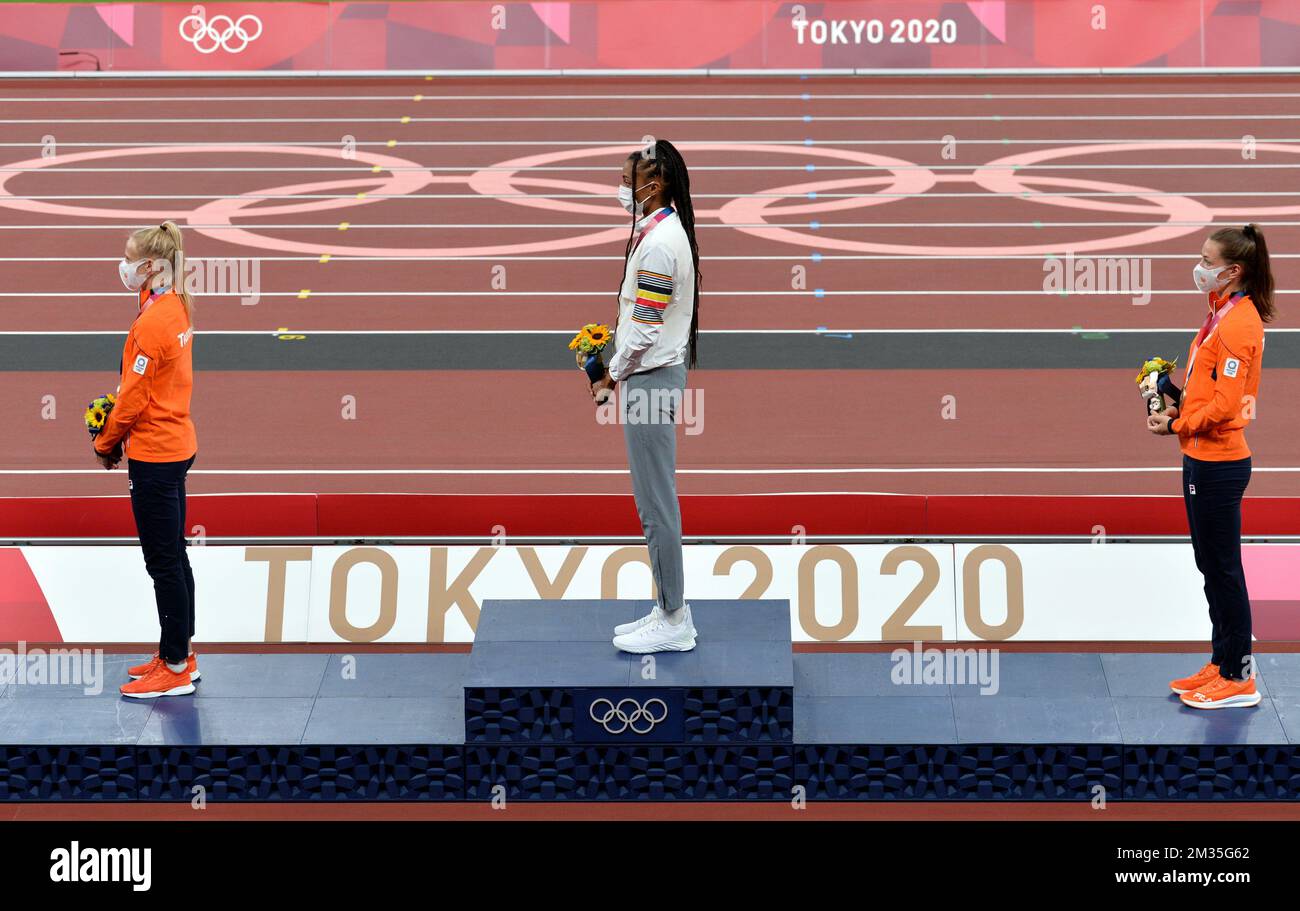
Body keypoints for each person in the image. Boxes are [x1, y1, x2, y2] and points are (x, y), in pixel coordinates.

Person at [1152, 224, 1275, 709]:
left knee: (1224, 569)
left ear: (1233, 270)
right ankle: (1222, 661)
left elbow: (1226, 405)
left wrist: (1177, 424)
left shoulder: (1239, 324)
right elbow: (1208, 395)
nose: (1199, 268)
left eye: (1207, 260)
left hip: (1219, 463)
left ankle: (1238, 677)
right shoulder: (1220, 311)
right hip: (1201, 457)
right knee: (1211, 566)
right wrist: (1173, 396)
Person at [591, 141, 700, 653]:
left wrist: (609, 374)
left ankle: (674, 617)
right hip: (652, 376)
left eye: (627, 177)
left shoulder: (659, 244)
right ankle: (665, 606)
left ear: (652, 185)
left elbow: (645, 326)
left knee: (655, 502)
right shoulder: (658, 231)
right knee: (653, 498)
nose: (621, 185)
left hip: (650, 381)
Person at [95, 221, 201, 698]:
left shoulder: (154, 321)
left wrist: (105, 440)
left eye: (130, 257)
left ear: (152, 266)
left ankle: (175, 667)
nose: (123, 265)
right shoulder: (171, 303)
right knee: (175, 555)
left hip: (155, 454)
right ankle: (178, 652)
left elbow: (134, 399)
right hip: (176, 443)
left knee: (162, 562)